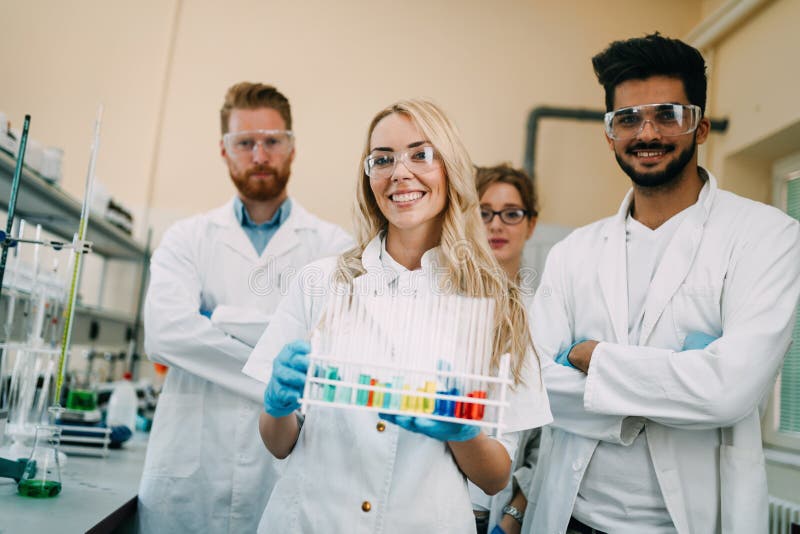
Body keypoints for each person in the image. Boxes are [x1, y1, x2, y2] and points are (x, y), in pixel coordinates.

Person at [523, 33, 800, 534]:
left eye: (668, 114)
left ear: (700, 127)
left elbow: (728, 391)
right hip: (573, 518)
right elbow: (536, 381)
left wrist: (592, 358)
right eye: (627, 118)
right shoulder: (572, 254)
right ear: (609, 134)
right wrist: (672, 383)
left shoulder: (767, 236)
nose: (646, 132)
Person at [242, 99, 552, 533]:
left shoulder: (499, 305)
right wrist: (278, 405)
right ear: (369, 178)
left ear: (451, 169)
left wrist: (462, 431)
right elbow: (278, 443)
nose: (399, 172)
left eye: (420, 154)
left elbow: (496, 475)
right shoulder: (321, 282)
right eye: (382, 159)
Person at [139, 82, 352, 533]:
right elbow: (163, 335)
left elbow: (332, 353)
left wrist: (215, 322)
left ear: (291, 148)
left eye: (272, 141)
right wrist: (280, 362)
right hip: (189, 474)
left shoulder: (334, 247)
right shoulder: (186, 239)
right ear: (224, 150)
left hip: (280, 471)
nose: (260, 155)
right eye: (245, 142)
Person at [470, 164, 540, 534]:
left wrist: (514, 515)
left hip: (498, 515)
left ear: (531, 223)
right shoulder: (445, 302)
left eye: (511, 214)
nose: (496, 225)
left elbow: (550, 438)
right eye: (484, 213)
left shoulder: (544, 317)